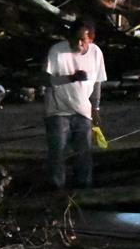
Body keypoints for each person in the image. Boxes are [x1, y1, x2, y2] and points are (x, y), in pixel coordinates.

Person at [41, 20, 107, 190]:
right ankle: (55, 190)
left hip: (83, 110)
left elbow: (97, 82)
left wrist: (96, 108)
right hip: (58, 110)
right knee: (58, 153)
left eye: (82, 40)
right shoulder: (57, 51)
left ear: (90, 40)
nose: (78, 44)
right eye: (75, 39)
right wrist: (71, 78)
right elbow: (45, 80)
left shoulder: (96, 53)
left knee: (84, 154)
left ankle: (83, 189)